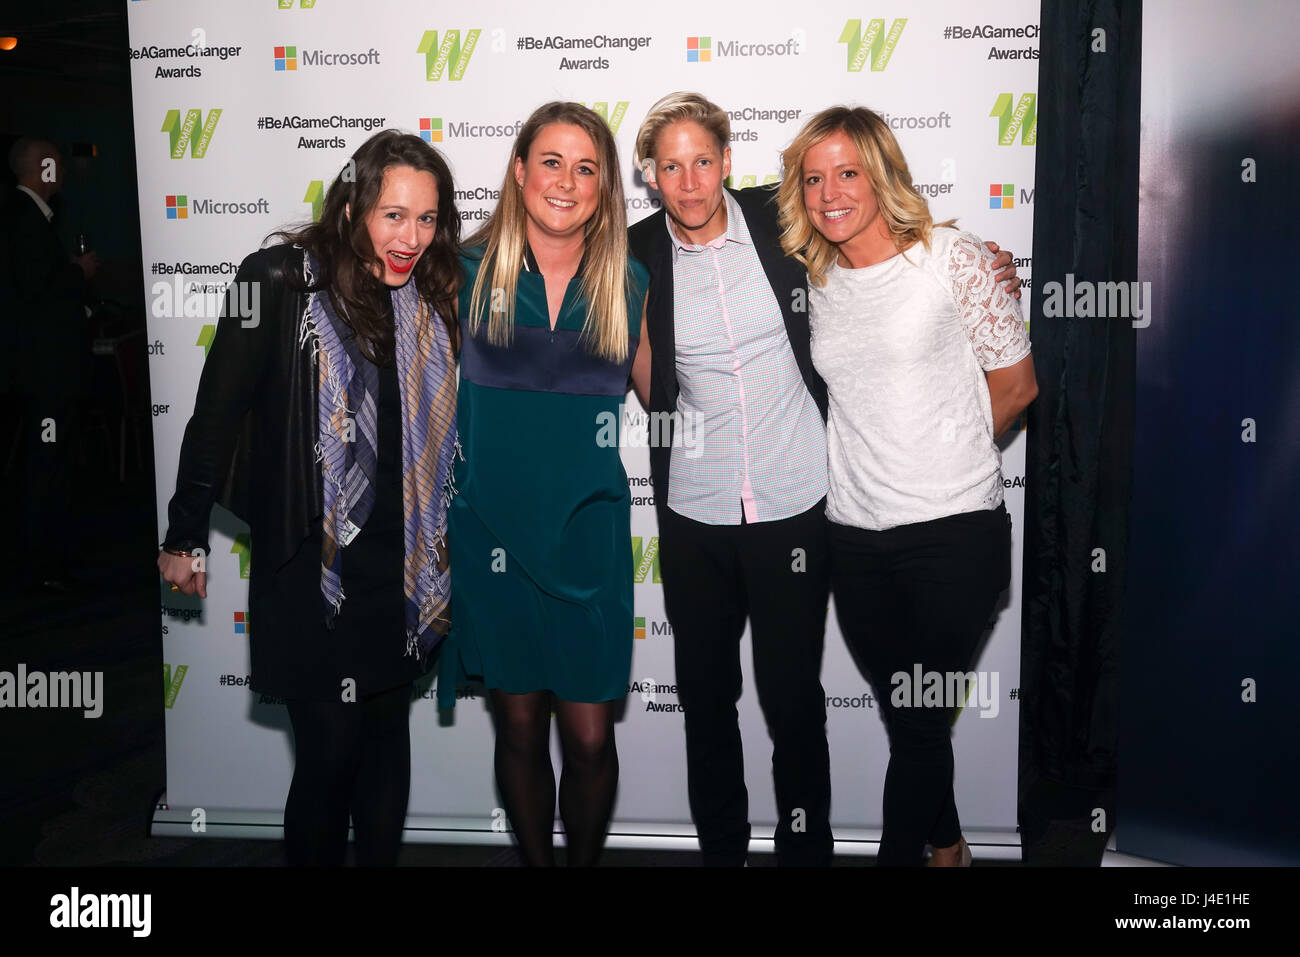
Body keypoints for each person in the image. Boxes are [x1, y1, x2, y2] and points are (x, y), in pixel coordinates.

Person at [627, 92, 1021, 866]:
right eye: (668, 166)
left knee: (794, 703)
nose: (689, 181)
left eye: (703, 160)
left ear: (728, 162)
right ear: (649, 177)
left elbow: (896, 253)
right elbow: (627, 356)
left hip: (797, 506)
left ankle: (805, 854)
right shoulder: (633, 251)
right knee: (707, 705)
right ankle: (723, 854)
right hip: (695, 512)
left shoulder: (790, 228)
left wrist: (984, 262)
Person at [157, 130, 462, 866]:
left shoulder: (429, 297)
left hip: (401, 566)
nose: (410, 237)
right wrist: (184, 533)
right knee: (329, 756)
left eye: (426, 219)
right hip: (310, 563)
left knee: (388, 746)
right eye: (394, 215)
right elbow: (215, 415)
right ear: (352, 204)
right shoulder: (278, 280)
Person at [779, 106, 1038, 866]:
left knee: (920, 722)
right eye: (814, 177)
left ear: (882, 173)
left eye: (848, 172)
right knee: (909, 712)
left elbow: (1017, 387)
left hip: (954, 531)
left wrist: (942, 452)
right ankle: (950, 845)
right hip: (854, 536)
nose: (830, 192)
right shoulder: (813, 276)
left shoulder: (953, 258)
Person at [437, 101, 651, 867]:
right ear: (520, 172)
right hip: (491, 534)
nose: (566, 180)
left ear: (605, 186)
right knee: (520, 727)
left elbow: (681, 397)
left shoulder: (632, 279)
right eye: (551, 162)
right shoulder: (456, 269)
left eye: (586, 166)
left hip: (588, 536)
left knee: (590, 738)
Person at [3, 137, 98, 591]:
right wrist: (79, 272)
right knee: (46, 464)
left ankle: (48, 559)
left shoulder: (29, 219)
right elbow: (38, 291)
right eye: (55, 163)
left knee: (50, 462)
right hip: (46, 377)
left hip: (45, 375)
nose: (60, 170)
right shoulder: (24, 221)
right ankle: (42, 566)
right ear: (40, 169)